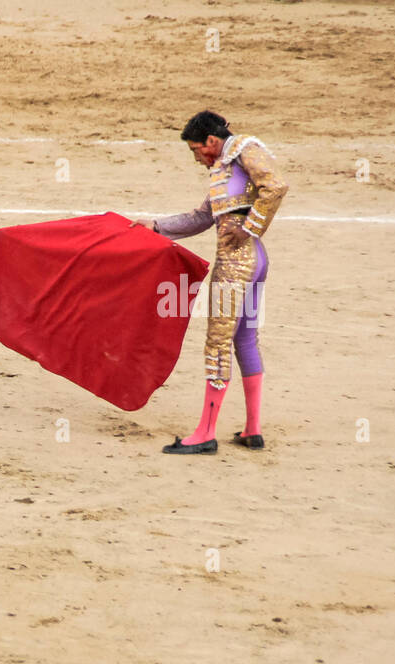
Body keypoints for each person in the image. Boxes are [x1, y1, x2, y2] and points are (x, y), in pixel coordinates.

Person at [133, 110, 289, 454]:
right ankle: (252, 429)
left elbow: (275, 186)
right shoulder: (225, 166)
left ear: (212, 142)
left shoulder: (244, 148)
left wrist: (250, 228)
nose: (196, 157)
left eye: (195, 150)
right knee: (245, 339)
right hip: (254, 261)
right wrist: (156, 226)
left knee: (217, 343)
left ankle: (205, 433)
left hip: (236, 264)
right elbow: (202, 217)